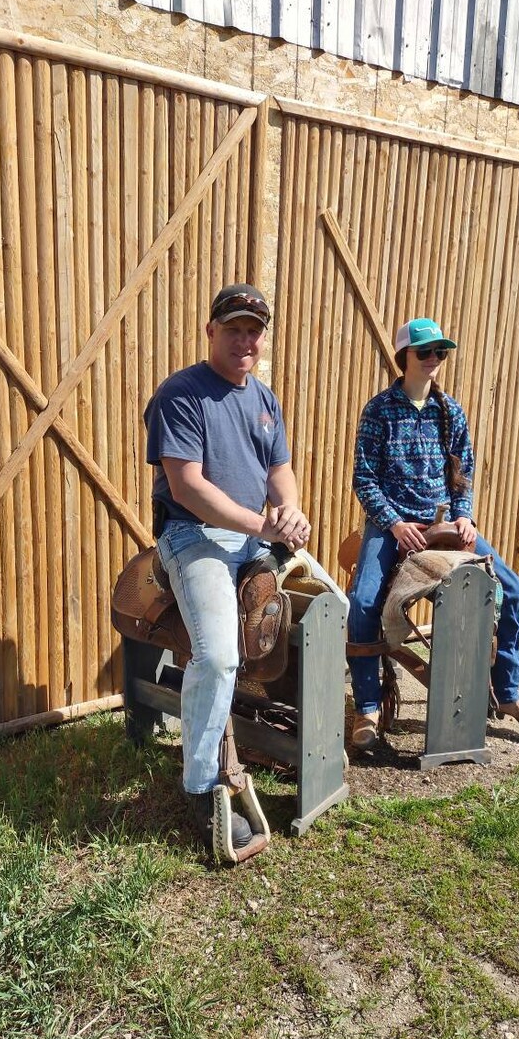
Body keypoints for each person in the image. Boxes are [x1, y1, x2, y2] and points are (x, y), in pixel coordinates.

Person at [144, 283, 346, 854]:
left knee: (334, 607)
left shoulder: (265, 398)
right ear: (210, 331)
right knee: (217, 653)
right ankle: (201, 784)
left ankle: (315, 742)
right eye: (233, 328)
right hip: (193, 535)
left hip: (253, 535)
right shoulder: (181, 395)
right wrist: (263, 526)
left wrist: (291, 511)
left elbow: (279, 471)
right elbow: (188, 487)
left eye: (254, 330)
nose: (245, 340)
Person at [347, 317, 519, 751]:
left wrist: (465, 517)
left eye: (440, 352)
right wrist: (394, 523)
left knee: (512, 590)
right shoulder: (379, 410)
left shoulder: (450, 411)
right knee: (363, 602)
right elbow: (364, 478)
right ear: (404, 356)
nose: (433, 360)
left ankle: (509, 696)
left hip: (443, 523)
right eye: (425, 352)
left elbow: (463, 476)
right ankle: (366, 707)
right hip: (394, 525)